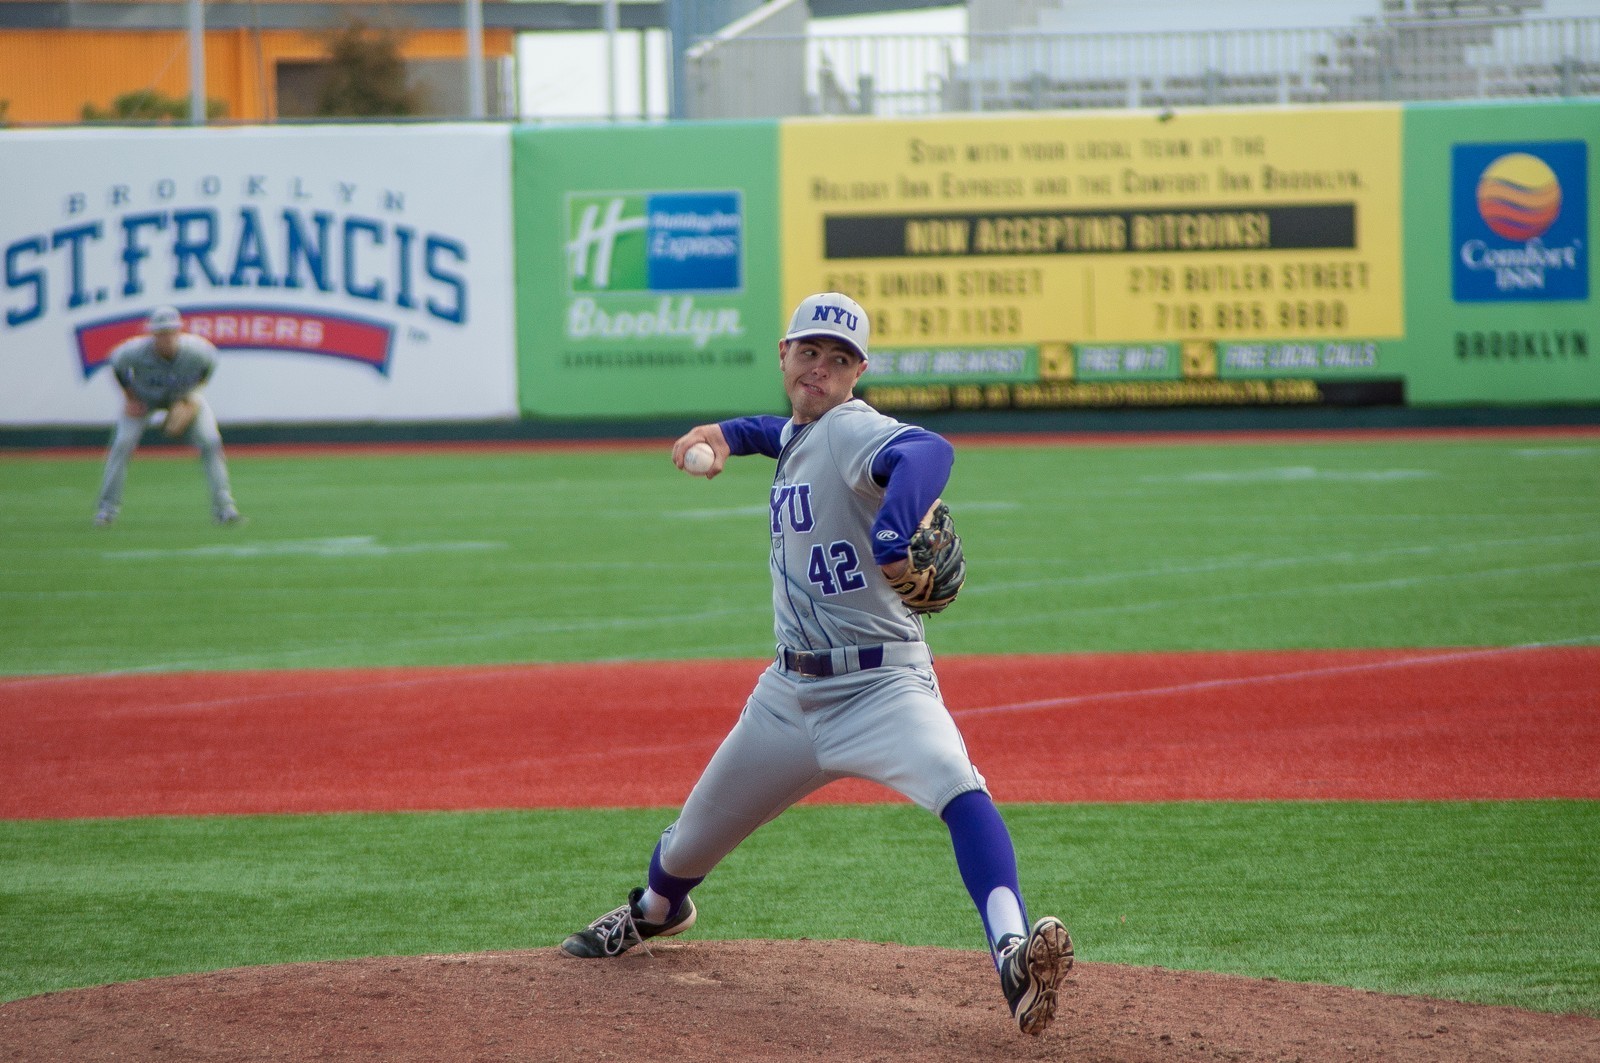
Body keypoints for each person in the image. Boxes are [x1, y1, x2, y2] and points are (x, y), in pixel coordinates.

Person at [559, 292, 1073, 1036]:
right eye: (810, 352)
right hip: (788, 696)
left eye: (839, 359)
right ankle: (655, 913)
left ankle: (1014, 956)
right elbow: (782, 434)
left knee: (961, 788)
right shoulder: (810, 433)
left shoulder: (854, 429)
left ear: (858, 372)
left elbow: (930, 452)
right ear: (784, 354)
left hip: (882, 685)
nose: (821, 369)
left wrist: (895, 532)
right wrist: (730, 435)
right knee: (686, 845)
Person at [93, 306, 242, 527]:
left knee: (210, 442)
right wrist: (130, 397)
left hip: (183, 398)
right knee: (122, 443)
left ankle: (225, 509)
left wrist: (192, 397)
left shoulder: (198, 351)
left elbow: (207, 369)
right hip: (144, 399)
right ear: (152, 335)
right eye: (161, 333)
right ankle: (106, 510)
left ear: (179, 332)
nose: (166, 338)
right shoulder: (133, 352)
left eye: (171, 332)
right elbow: (116, 365)